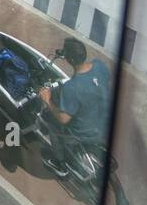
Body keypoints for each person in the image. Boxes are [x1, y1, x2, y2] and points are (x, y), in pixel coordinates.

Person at [38, 37, 111, 177]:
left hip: (85, 133)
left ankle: (59, 164)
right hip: (105, 120)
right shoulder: (100, 65)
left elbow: (63, 119)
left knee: (53, 126)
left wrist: (47, 100)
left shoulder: (71, 87)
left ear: (69, 60)